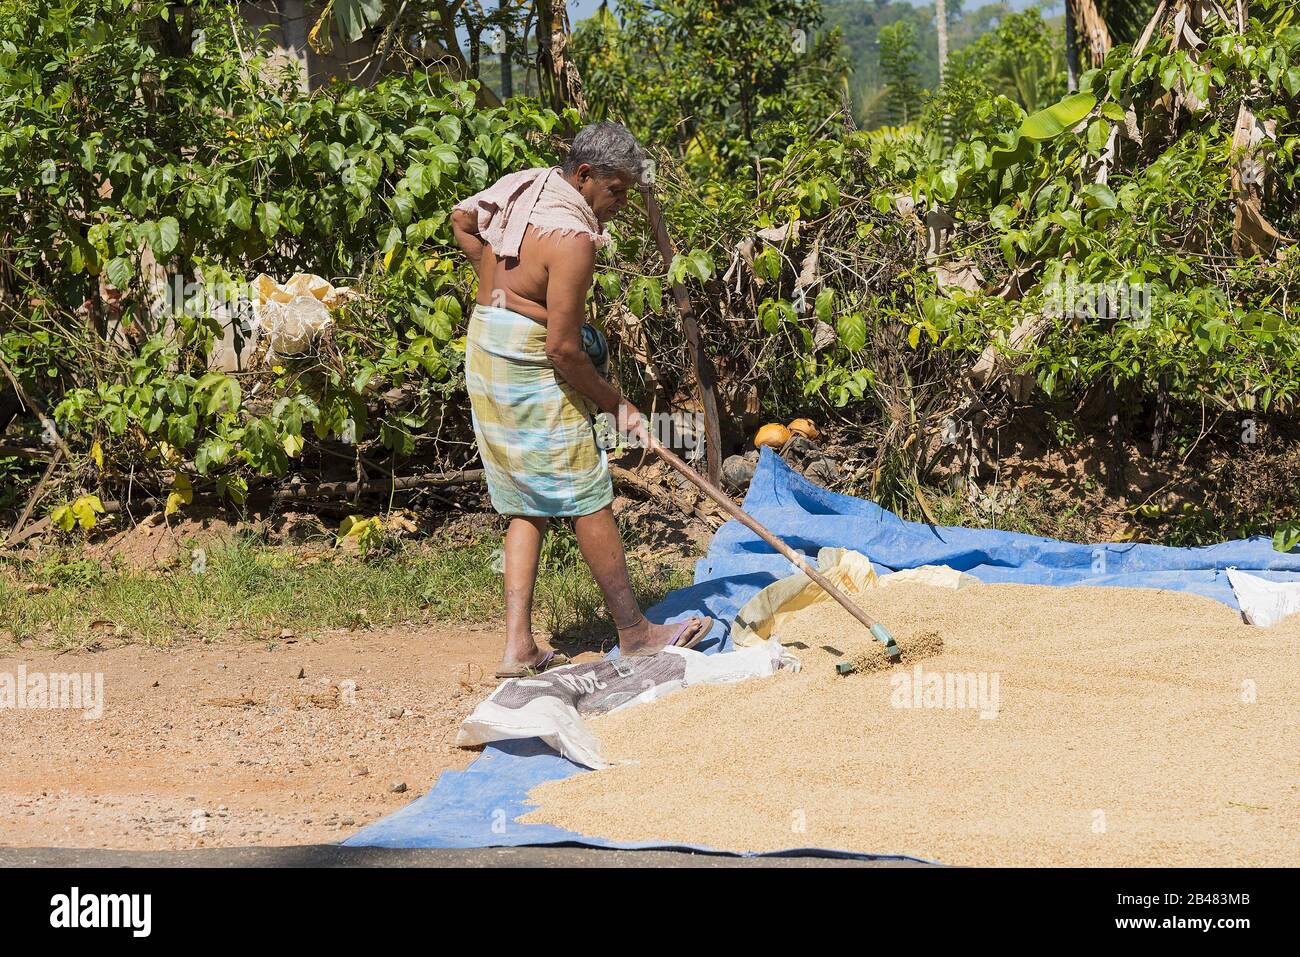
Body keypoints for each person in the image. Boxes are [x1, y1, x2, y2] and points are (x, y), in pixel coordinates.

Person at [451, 121, 713, 677]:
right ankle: (636, 633)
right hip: (526, 363)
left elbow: (464, 221)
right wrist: (620, 407)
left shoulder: (530, 186)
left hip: (486, 344)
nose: (619, 204)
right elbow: (565, 352)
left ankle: (518, 646)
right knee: (586, 492)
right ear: (586, 175)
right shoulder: (572, 240)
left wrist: (497, 292)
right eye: (616, 191)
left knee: (527, 500)